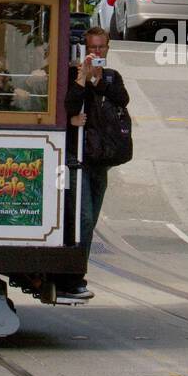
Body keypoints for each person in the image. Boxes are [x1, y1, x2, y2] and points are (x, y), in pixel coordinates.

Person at [62, 26, 129, 299]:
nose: (97, 53)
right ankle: (73, 275)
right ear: (83, 50)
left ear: (108, 49)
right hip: (78, 158)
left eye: (101, 48)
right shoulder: (72, 75)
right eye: (92, 48)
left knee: (91, 219)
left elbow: (122, 100)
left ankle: (78, 271)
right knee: (83, 217)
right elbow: (67, 106)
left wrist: (98, 80)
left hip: (103, 159)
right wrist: (81, 79)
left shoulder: (112, 77)